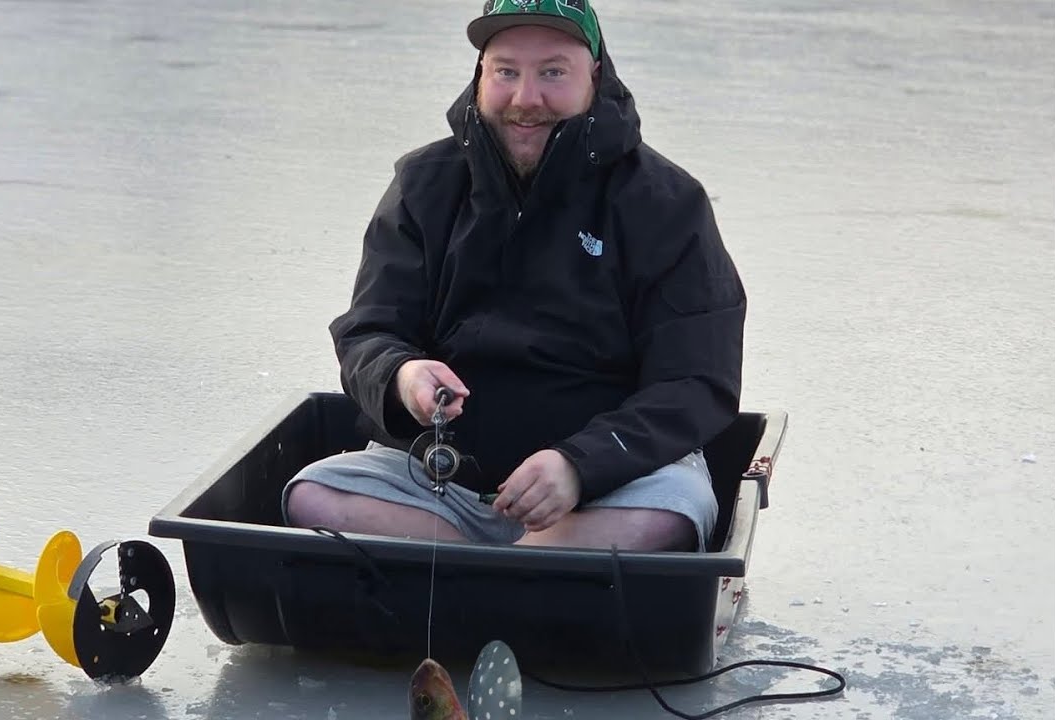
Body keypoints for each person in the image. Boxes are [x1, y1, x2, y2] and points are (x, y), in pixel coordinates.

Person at [283, 0, 746, 552]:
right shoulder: (424, 184)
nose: (526, 99)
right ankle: (520, 576)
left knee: (663, 518)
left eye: (553, 72)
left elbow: (697, 381)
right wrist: (402, 376)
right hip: (439, 488)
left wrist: (579, 465)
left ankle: (486, 576)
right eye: (506, 71)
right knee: (313, 496)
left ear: (594, 76)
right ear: (481, 74)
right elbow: (368, 332)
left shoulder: (666, 202)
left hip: (611, 489)